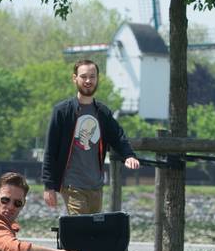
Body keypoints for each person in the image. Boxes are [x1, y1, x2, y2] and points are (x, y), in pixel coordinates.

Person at [40, 59, 141, 215]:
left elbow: (118, 136)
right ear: (75, 78)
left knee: (92, 233)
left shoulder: (103, 112)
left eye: (92, 76)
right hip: (72, 185)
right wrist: (49, 186)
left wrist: (129, 155)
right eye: (84, 76)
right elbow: (51, 150)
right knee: (81, 229)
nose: (88, 80)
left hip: (96, 186)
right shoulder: (62, 111)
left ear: (97, 78)